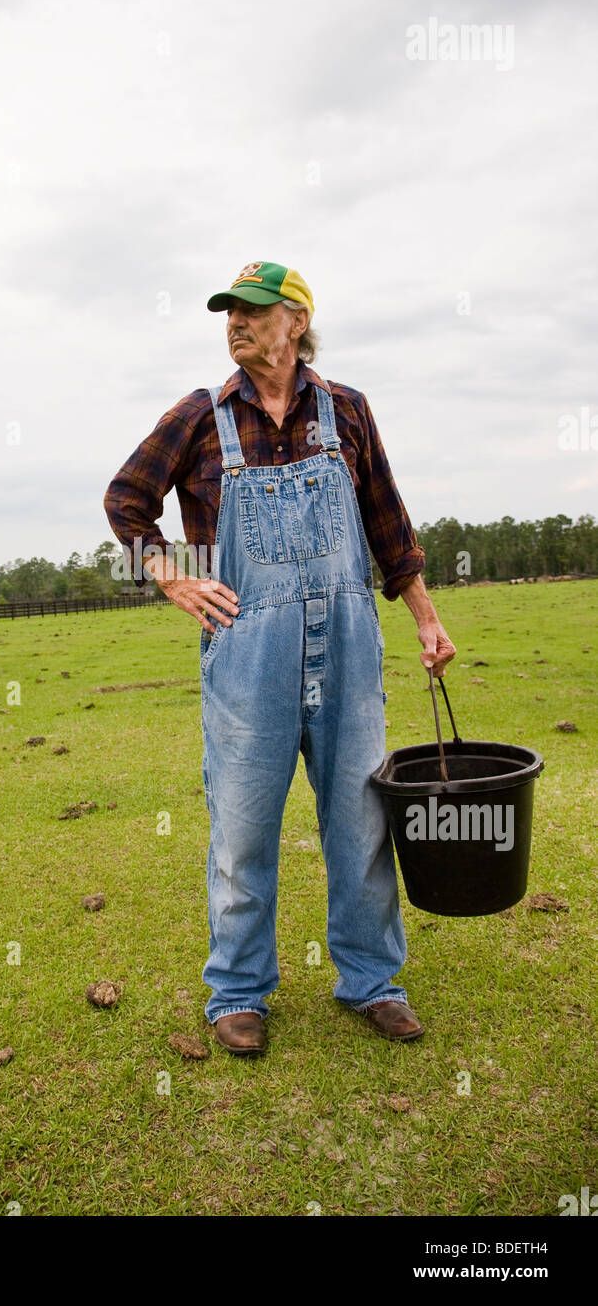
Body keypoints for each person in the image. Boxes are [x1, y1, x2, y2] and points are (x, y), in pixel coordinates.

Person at [104, 260, 456, 1055]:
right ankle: (238, 991)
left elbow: (389, 526)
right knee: (242, 826)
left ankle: (372, 981)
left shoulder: (348, 411)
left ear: (295, 321)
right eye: (229, 312)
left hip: (349, 646)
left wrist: (427, 621)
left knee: (361, 819)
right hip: (246, 652)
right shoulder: (201, 415)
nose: (237, 323)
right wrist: (172, 579)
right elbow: (125, 501)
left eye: (255, 311)